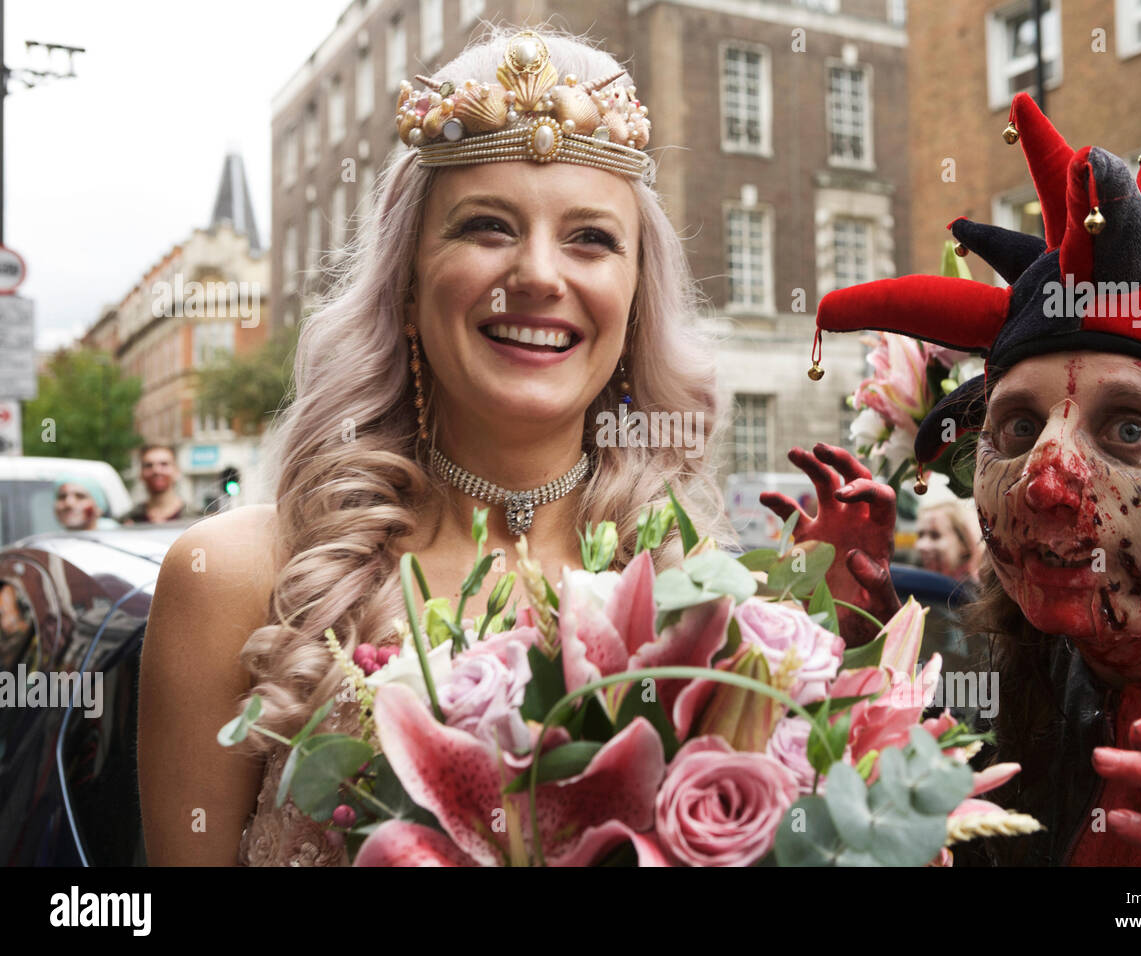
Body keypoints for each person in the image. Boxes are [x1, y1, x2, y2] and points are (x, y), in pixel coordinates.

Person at [137, 25, 733, 866]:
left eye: (591, 238)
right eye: (486, 226)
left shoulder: (700, 597)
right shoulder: (236, 581)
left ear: (637, 296)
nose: (538, 274)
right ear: (407, 281)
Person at [791, 93, 1141, 865]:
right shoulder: (1001, 695)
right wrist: (868, 660)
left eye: (1130, 429)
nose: (1043, 482)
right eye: (1019, 428)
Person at [122, 445, 202, 524]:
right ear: (141, 474)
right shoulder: (128, 520)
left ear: (177, 471)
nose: (156, 470)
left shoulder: (195, 519)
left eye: (164, 464)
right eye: (149, 465)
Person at [53, 474, 119, 531]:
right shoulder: (51, 542)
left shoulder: (116, 538)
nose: (68, 503)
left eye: (80, 496)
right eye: (62, 497)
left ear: (98, 507)